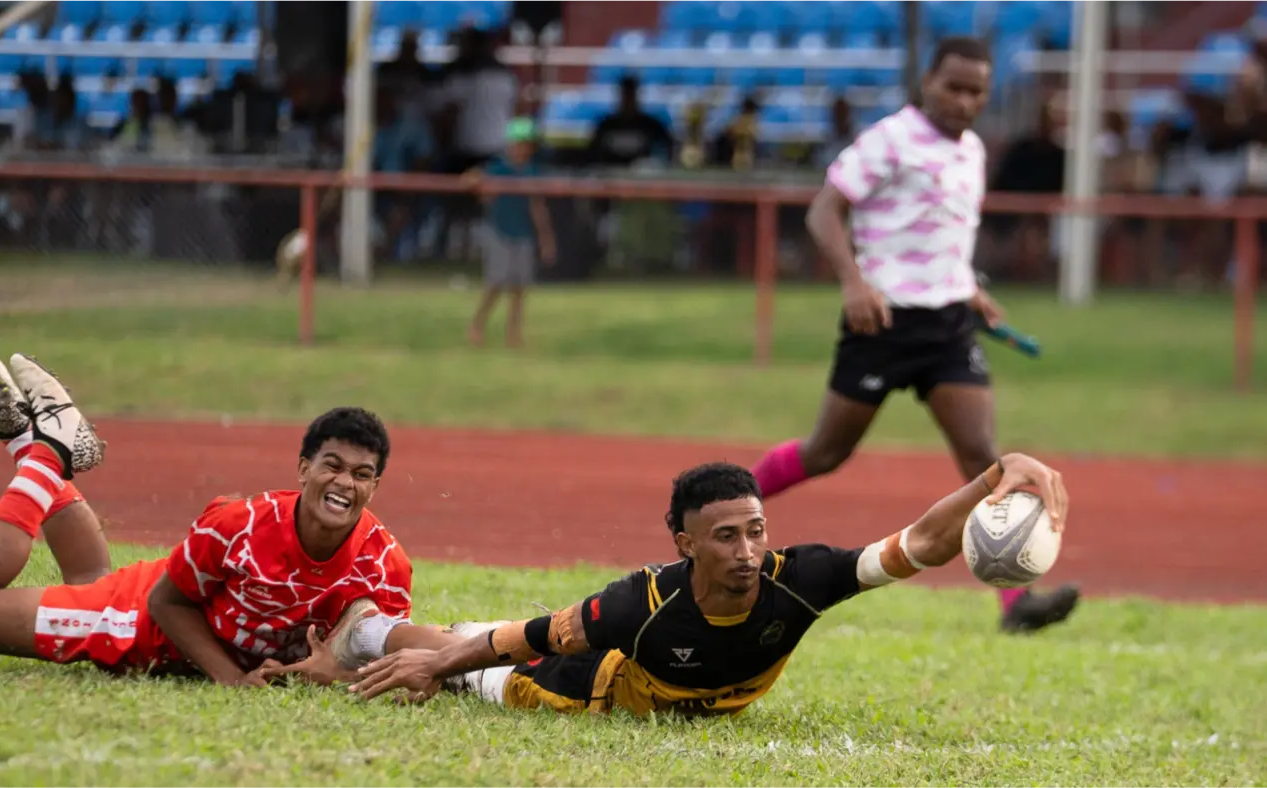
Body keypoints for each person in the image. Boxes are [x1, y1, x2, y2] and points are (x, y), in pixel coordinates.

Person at [744, 36, 1080, 633]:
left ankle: (1015, 604)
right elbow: (824, 211)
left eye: (977, 90)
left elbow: (946, 236)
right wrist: (853, 283)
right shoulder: (889, 139)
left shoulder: (973, 150)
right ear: (928, 80)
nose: (964, 99)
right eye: (953, 86)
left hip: (948, 327)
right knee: (826, 452)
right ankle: (719, 513)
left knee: (986, 460)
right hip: (881, 324)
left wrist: (968, 289)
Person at [350, 455, 1070, 715]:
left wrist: (991, 476)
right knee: (465, 656)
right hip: (587, 688)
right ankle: (370, 636)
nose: (749, 549)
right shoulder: (641, 602)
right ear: (686, 545)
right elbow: (534, 638)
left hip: (630, 664)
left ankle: (400, 638)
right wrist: (443, 662)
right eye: (726, 537)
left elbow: (920, 544)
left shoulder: (803, 579)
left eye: (755, 530)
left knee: (474, 639)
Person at [0, 352, 462, 685]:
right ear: (303, 468)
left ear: (375, 485)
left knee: (89, 580)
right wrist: (229, 678)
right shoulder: (242, 524)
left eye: (362, 474)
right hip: (139, 627)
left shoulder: (387, 564)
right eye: (333, 466)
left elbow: (384, 664)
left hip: (152, 605)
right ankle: (50, 455)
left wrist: (331, 675)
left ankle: (30, 439)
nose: (345, 484)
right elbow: (165, 602)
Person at [464, 117, 556, 349]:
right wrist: (476, 184)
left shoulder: (532, 172)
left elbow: (537, 207)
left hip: (522, 233)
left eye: (528, 144)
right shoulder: (497, 168)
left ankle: (513, 333)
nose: (524, 148)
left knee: (519, 287)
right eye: (521, 143)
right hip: (500, 231)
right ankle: (477, 324)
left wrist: (546, 239)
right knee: (496, 281)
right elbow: (480, 190)